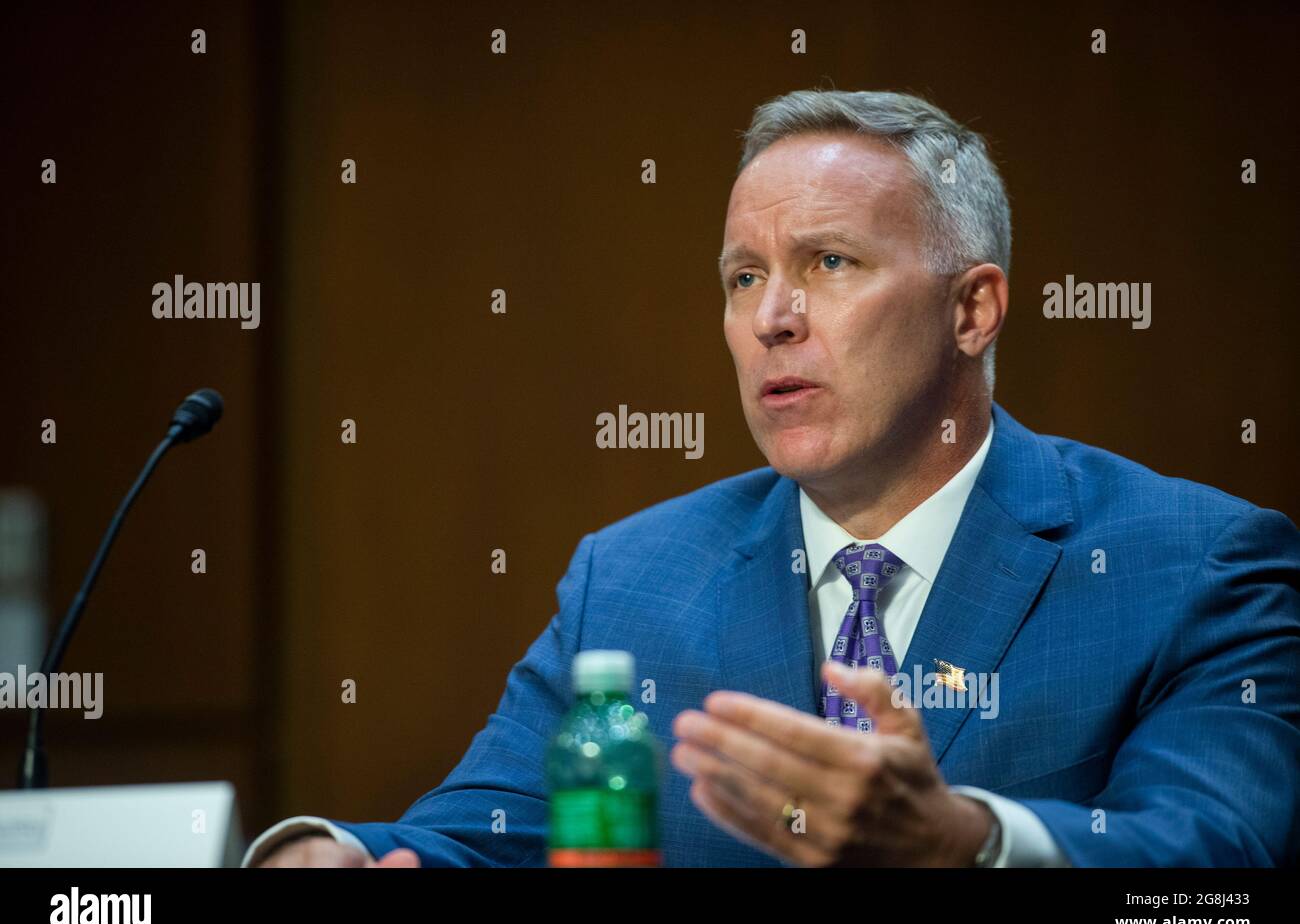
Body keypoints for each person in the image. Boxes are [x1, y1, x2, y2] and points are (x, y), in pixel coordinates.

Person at [246, 89, 1300, 868]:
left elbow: (1213, 871)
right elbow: (480, 837)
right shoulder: (631, 577)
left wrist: (966, 844)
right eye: (743, 277)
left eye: (828, 263)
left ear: (971, 310)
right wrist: (328, 850)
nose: (770, 319)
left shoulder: (1193, 564)